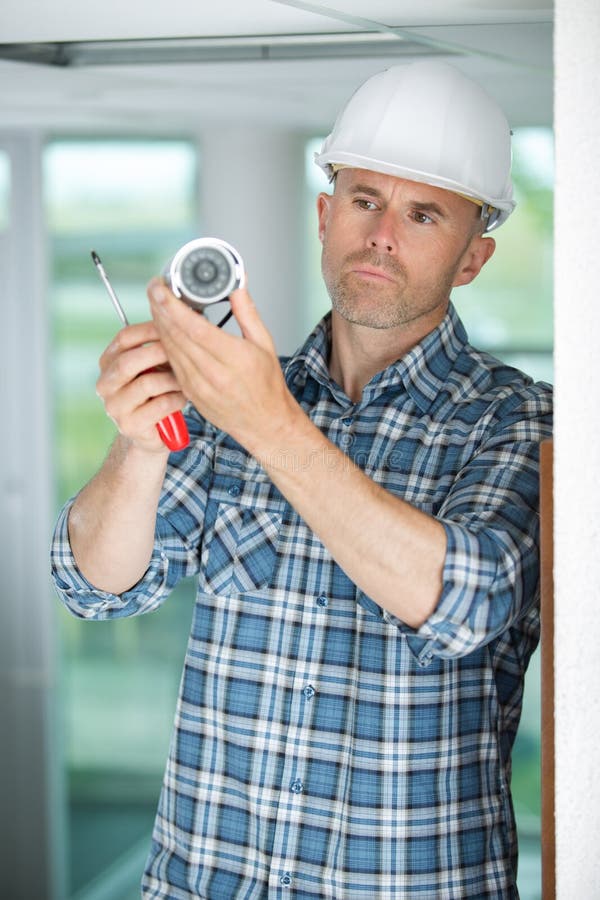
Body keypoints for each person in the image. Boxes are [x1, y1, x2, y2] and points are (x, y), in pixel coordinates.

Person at [51, 60, 553, 899]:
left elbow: (466, 603)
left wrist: (268, 422)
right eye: (364, 200)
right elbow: (95, 584)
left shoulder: (519, 420)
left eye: (424, 212)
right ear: (326, 217)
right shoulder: (234, 397)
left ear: (473, 258)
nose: (382, 233)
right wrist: (139, 443)